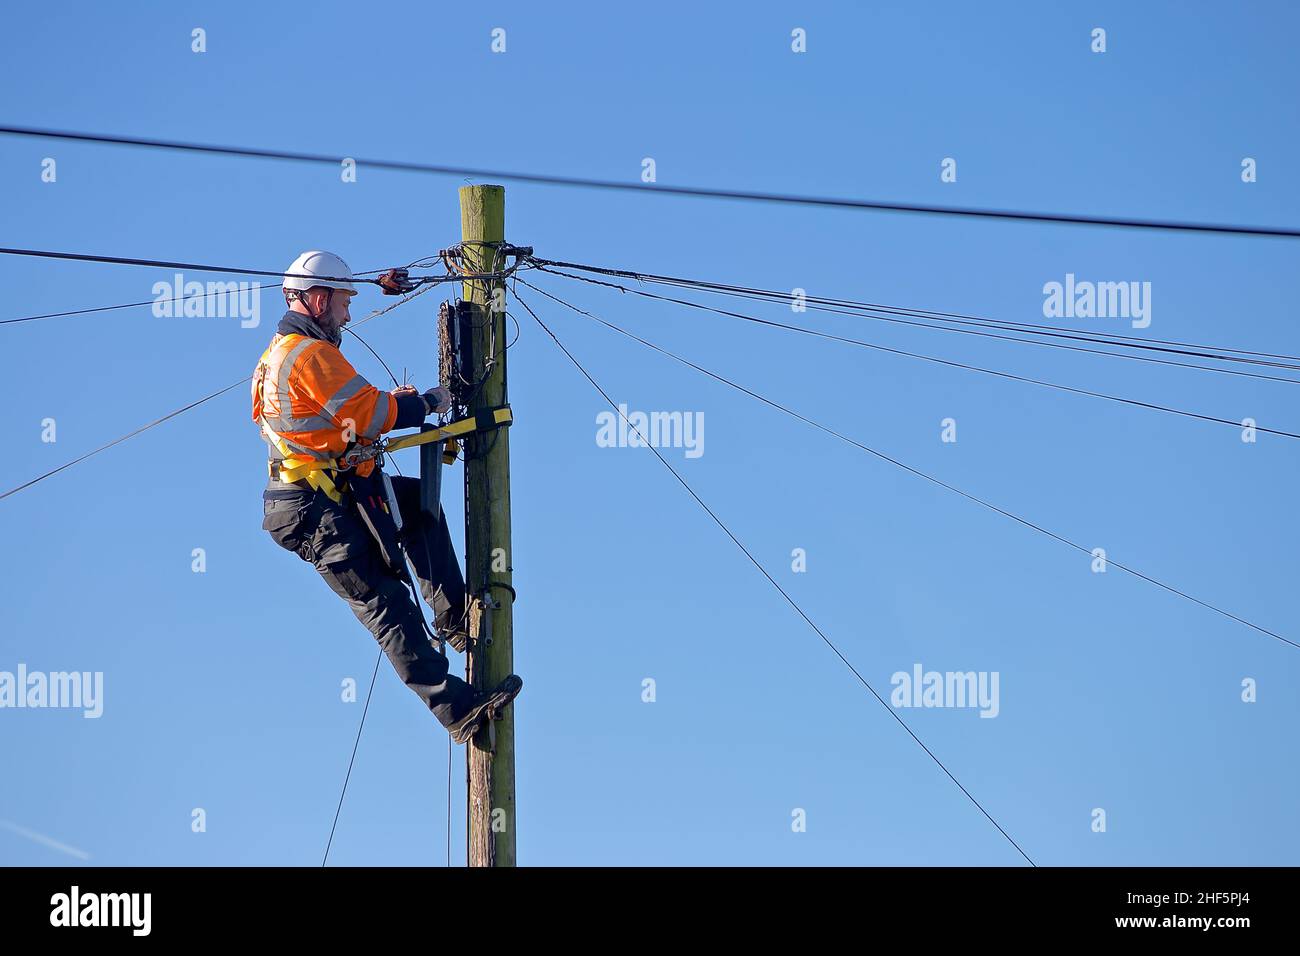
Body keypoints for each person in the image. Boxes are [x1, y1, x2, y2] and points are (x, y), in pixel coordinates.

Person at [252, 250, 521, 743]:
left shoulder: (279, 355)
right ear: (316, 299)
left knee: (418, 506)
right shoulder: (309, 355)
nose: (348, 314)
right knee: (386, 603)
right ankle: (457, 709)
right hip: (314, 506)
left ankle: (455, 615)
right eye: (342, 302)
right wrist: (425, 403)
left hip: (326, 491)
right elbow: (372, 414)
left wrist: (389, 409)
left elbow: (341, 421)